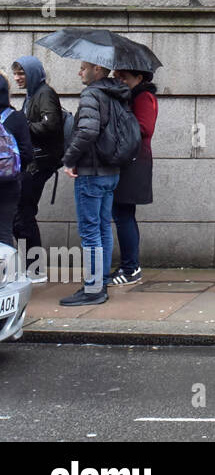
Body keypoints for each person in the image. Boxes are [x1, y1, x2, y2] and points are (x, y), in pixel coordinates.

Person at [60, 61, 133, 306]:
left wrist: (69, 159)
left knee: (90, 232)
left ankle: (93, 289)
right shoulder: (117, 94)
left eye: (84, 67)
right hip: (111, 172)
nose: (79, 72)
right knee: (103, 228)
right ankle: (99, 283)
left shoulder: (92, 93)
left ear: (98, 70)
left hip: (91, 173)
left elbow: (88, 131)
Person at [11, 56, 63, 281]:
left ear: (32, 73)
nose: (17, 78)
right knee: (21, 213)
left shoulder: (44, 93)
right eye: (15, 74)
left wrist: (22, 125)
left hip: (39, 163)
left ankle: (35, 269)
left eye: (21, 73)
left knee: (24, 213)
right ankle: (32, 266)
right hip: (33, 162)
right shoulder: (33, 94)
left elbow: (51, 125)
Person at [107, 69, 157, 287]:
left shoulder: (144, 97)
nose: (120, 79)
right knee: (123, 214)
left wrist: (121, 118)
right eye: (118, 75)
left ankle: (131, 268)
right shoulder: (132, 96)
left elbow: (145, 128)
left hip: (135, 163)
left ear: (139, 78)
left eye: (125, 76)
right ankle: (129, 265)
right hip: (130, 161)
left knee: (123, 214)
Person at [0, 72, 34, 251]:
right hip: (9, 184)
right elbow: (27, 153)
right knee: (5, 230)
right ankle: (4, 276)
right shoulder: (17, 117)